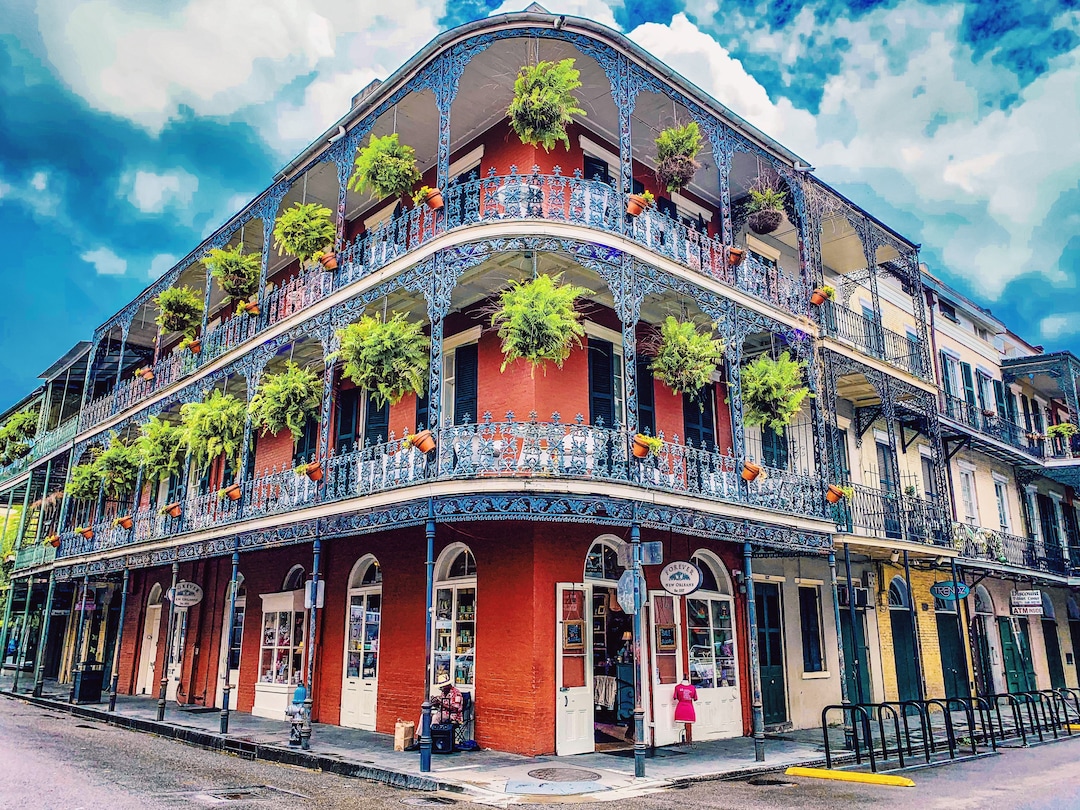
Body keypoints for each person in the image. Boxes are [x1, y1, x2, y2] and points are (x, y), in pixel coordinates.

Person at [409, 675, 463, 748]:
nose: (441, 689)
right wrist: (436, 703)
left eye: (442, 687)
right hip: (442, 713)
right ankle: (420, 739)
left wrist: (441, 703)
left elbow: (455, 709)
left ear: (447, 685)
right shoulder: (444, 692)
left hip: (453, 716)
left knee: (435, 717)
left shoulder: (456, 693)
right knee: (424, 716)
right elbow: (441, 706)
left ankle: (433, 739)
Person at [673, 675, 698, 744]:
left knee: (687, 723)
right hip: (686, 707)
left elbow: (675, 697)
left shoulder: (679, 687)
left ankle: (686, 738)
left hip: (684, 707)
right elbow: (695, 698)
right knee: (683, 723)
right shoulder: (678, 687)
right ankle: (684, 738)